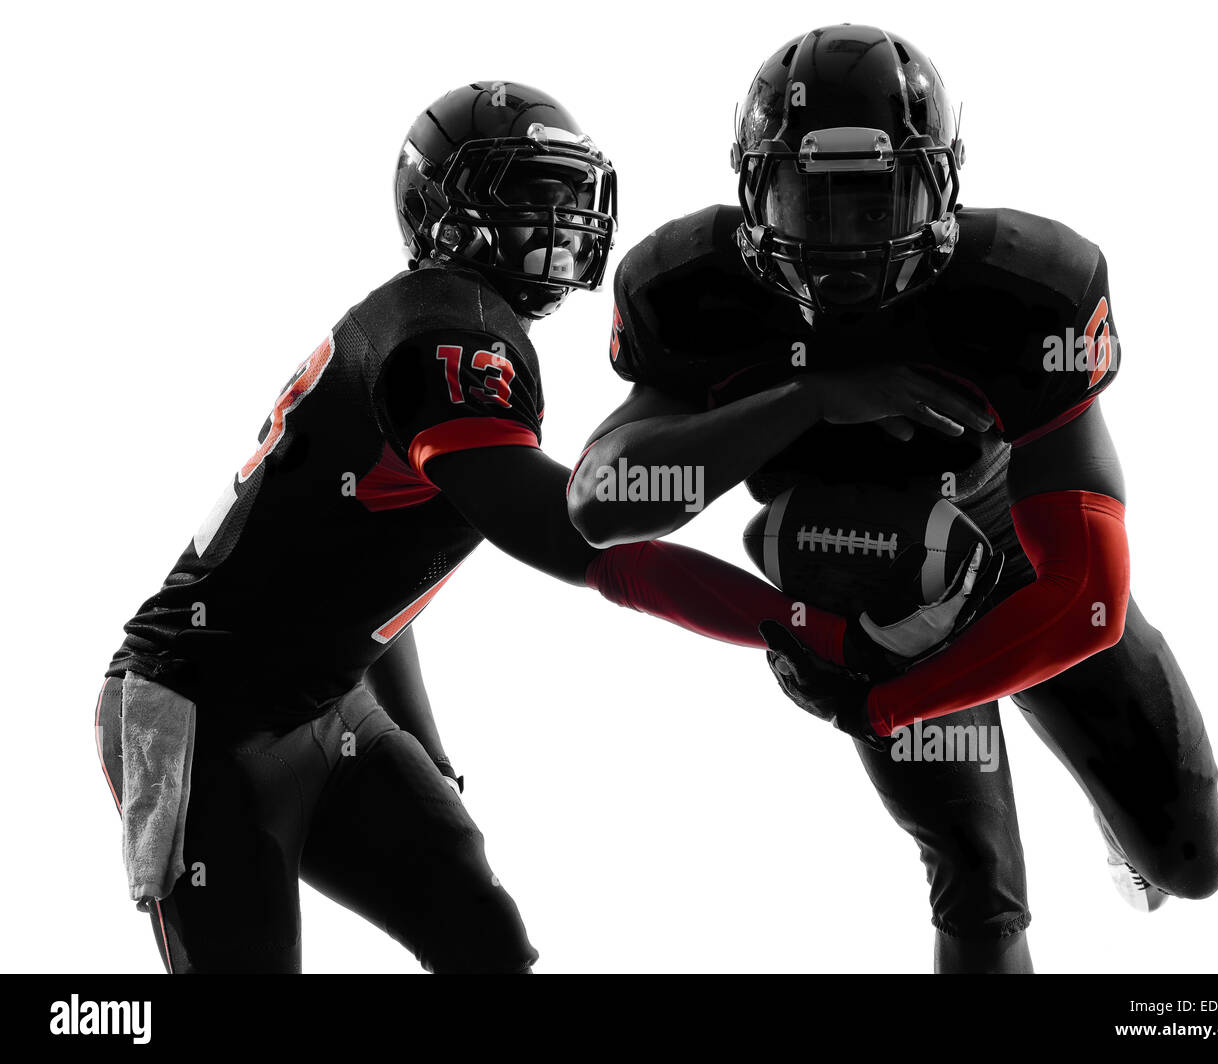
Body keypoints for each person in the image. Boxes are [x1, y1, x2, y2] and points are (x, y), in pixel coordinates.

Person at [97, 80, 969, 973]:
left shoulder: (445, 320)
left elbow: (362, 574)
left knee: (488, 947)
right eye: (526, 193)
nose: (557, 221)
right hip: (199, 714)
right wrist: (797, 619)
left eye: (566, 194)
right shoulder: (443, 336)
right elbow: (583, 542)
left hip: (326, 709)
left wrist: (420, 740)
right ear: (444, 210)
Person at [567, 26, 1218, 973]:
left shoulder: (1029, 292)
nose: (845, 238)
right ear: (755, 191)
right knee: (979, 898)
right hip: (869, 589)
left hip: (1018, 562)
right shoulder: (695, 290)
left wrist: (887, 703)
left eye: (876, 197)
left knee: (1193, 860)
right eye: (813, 197)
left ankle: (1118, 819)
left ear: (941, 187)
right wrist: (808, 398)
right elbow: (605, 501)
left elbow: (1085, 598)